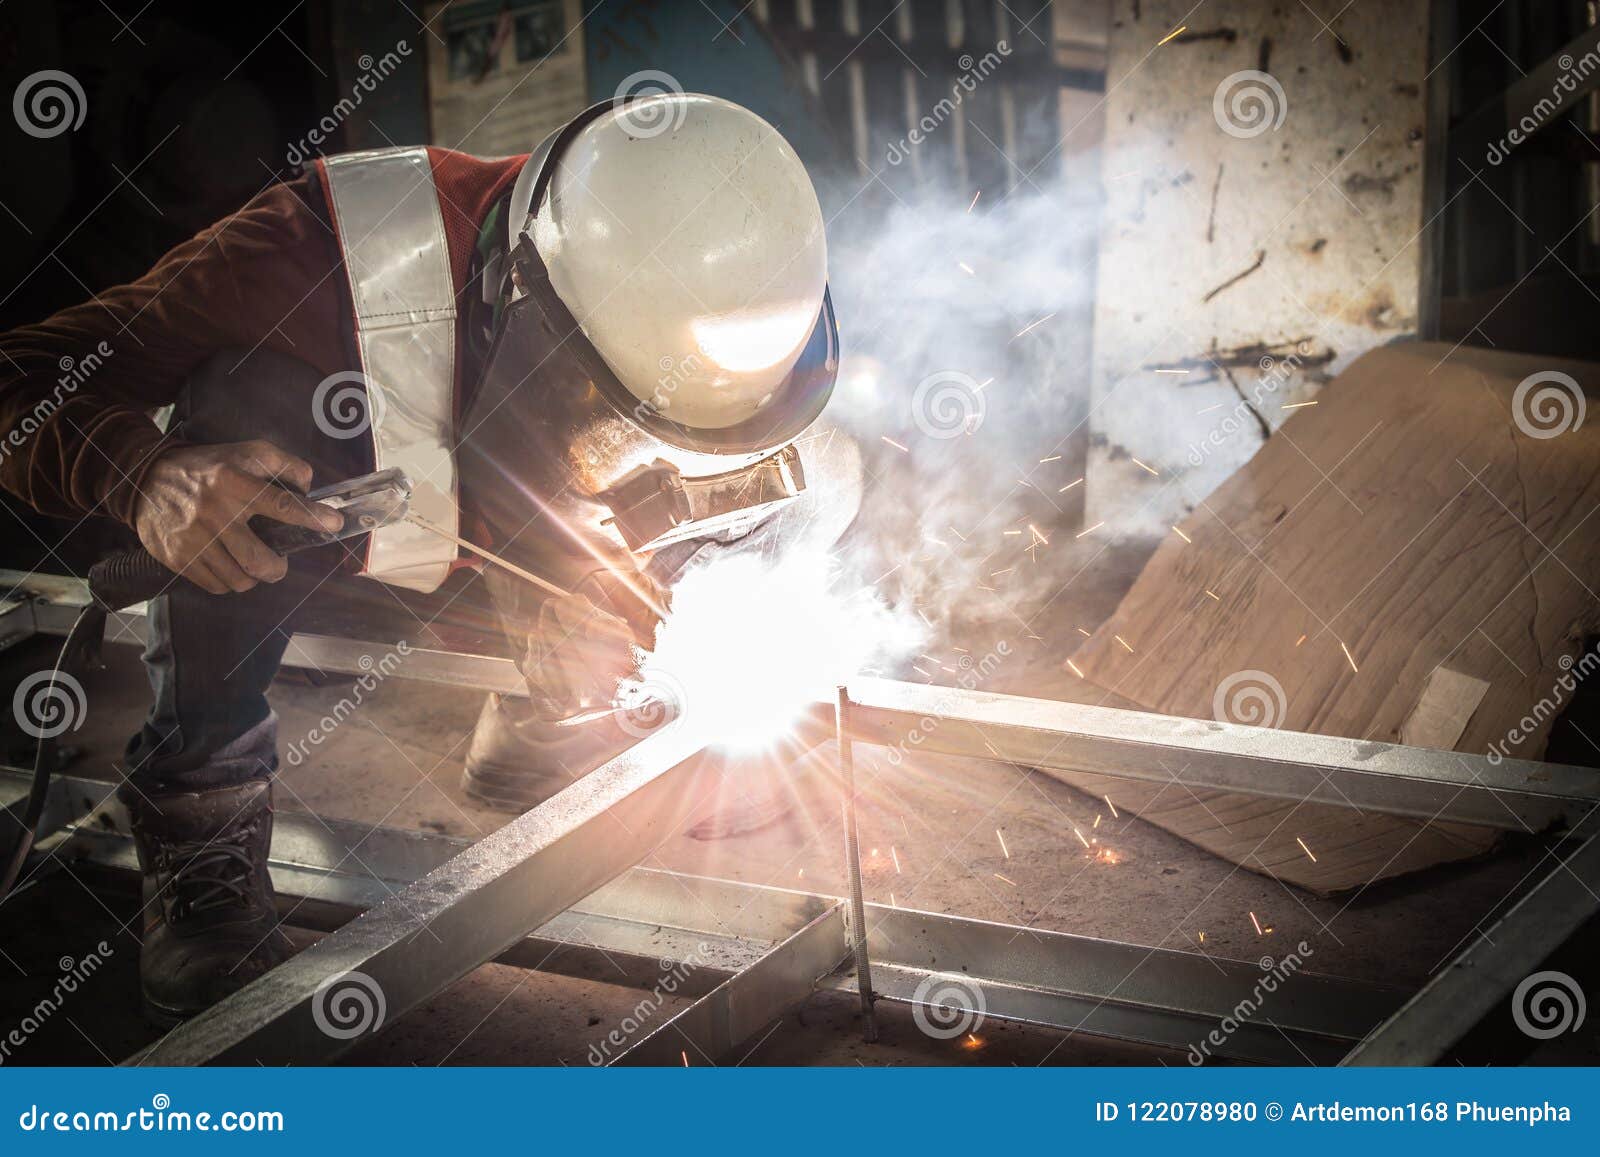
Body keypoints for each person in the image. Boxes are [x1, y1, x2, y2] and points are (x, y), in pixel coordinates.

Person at [0, 93, 839, 1023]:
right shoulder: (294, 255)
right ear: (519, 301)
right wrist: (142, 474)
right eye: (611, 419)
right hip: (313, 550)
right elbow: (16, 376)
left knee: (725, 499)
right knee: (249, 396)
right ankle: (202, 800)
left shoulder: (742, 280)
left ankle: (563, 710)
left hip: (500, 551)